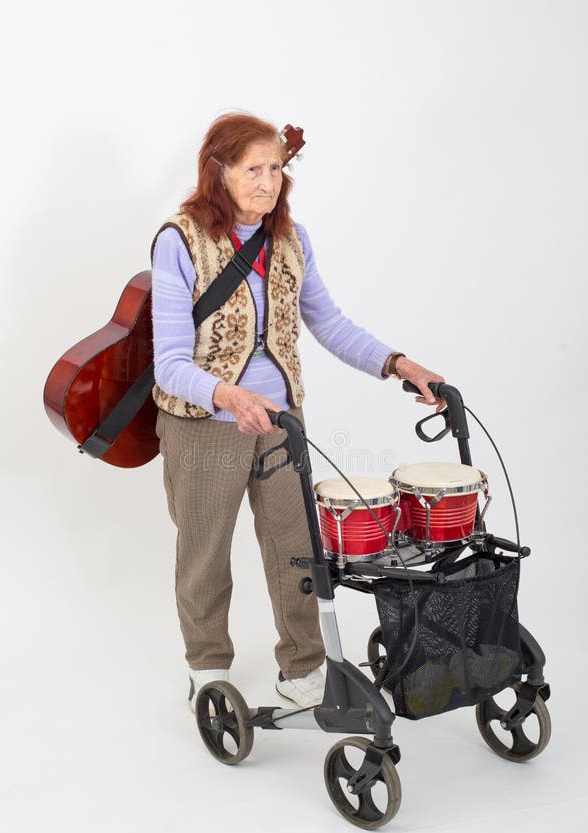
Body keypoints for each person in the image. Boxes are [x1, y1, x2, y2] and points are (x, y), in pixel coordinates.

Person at [151, 112, 444, 711]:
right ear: (219, 172)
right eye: (252, 169)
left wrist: (397, 363)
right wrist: (228, 396)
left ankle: (303, 666)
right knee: (205, 550)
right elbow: (170, 362)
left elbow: (329, 323)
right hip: (205, 425)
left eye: (276, 169)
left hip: (282, 422)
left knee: (298, 548)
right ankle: (207, 665)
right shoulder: (179, 241)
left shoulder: (291, 239)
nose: (267, 182)